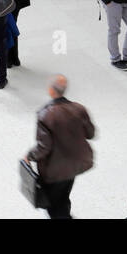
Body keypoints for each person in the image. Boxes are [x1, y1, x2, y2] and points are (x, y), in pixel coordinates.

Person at [25, 75, 95, 219]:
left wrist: (29, 156)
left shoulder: (45, 115)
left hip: (53, 171)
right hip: (74, 165)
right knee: (63, 197)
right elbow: (91, 134)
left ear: (51, 91)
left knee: (53, 206)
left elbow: (44, 147)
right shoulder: (79, 109)